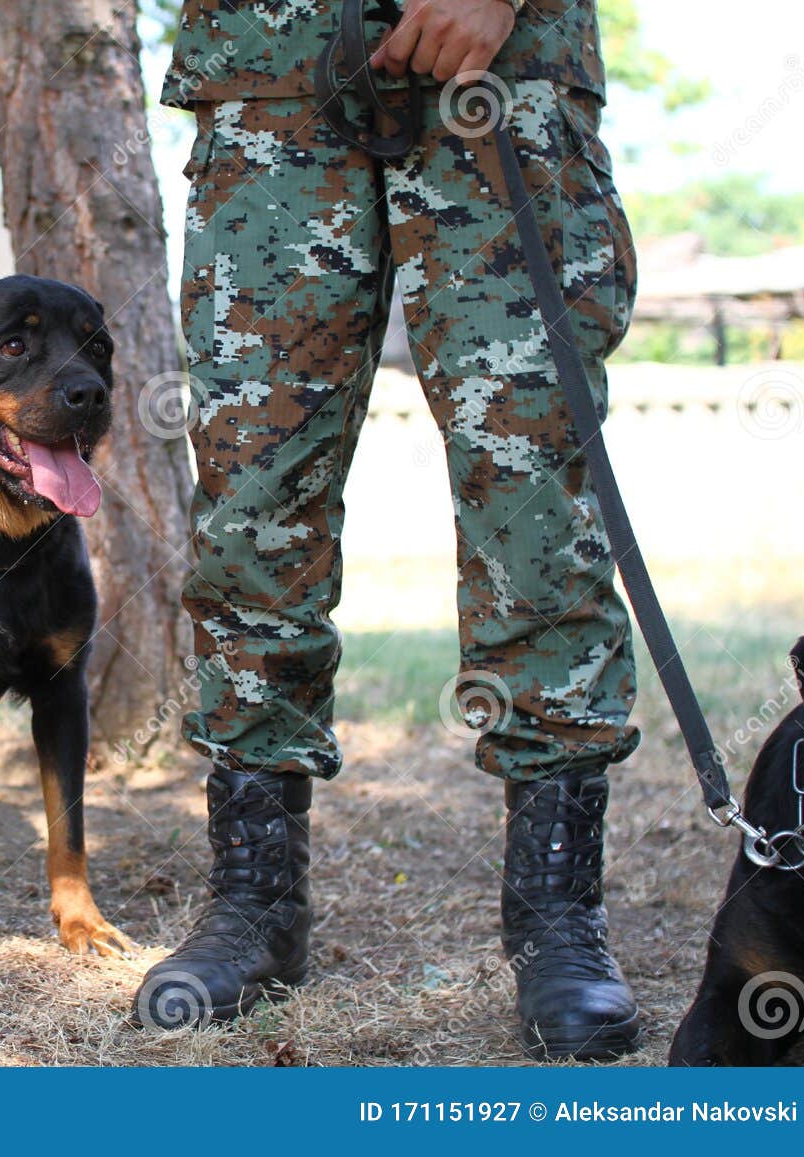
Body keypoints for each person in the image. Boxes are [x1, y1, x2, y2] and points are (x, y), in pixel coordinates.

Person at [134, 0, 643, 1060]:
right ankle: (253, 904)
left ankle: (556, 915)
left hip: (497, 72)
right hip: (267, 78)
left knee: (534, 499)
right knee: (251, 506)